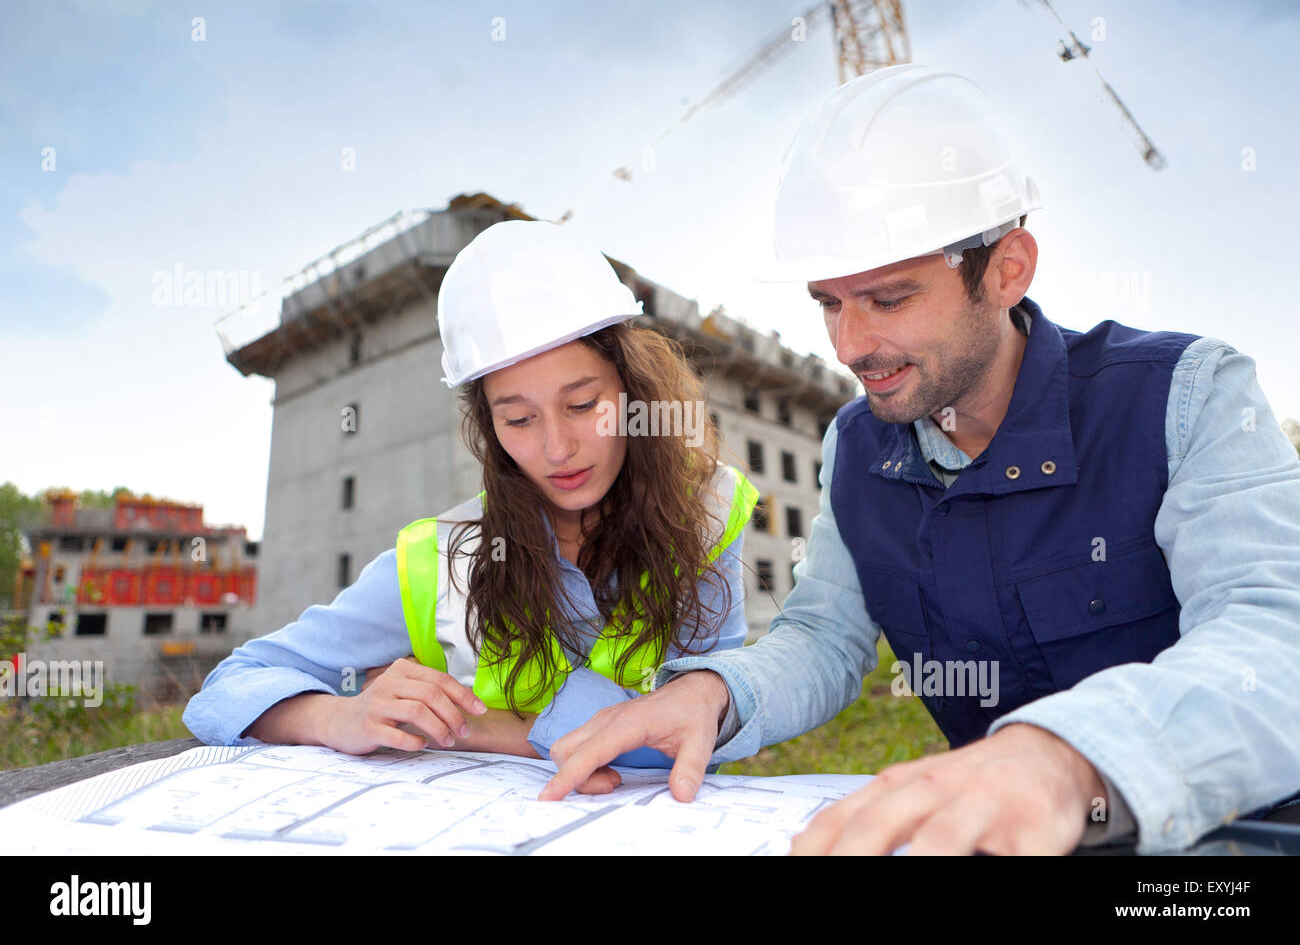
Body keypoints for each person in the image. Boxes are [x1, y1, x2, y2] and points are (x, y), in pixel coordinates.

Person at [538, 63, 1300, 853]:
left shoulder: (1187, 395)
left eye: (890, 299)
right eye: (829, 303)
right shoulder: (856, 447)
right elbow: (825, 639)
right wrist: (714, 694)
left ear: (1007, 269)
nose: (850, 346)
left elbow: (1278, 638)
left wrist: (1068, 760)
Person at [183, 219, 757, 775]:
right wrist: (341, 715)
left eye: (582, 405)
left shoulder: (702, 520)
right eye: (519, 419)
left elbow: (706, 727)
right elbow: (228, 689)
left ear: (633, 391)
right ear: (489, 428)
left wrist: (483, 726)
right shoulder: (441, 563)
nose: (557, 448)